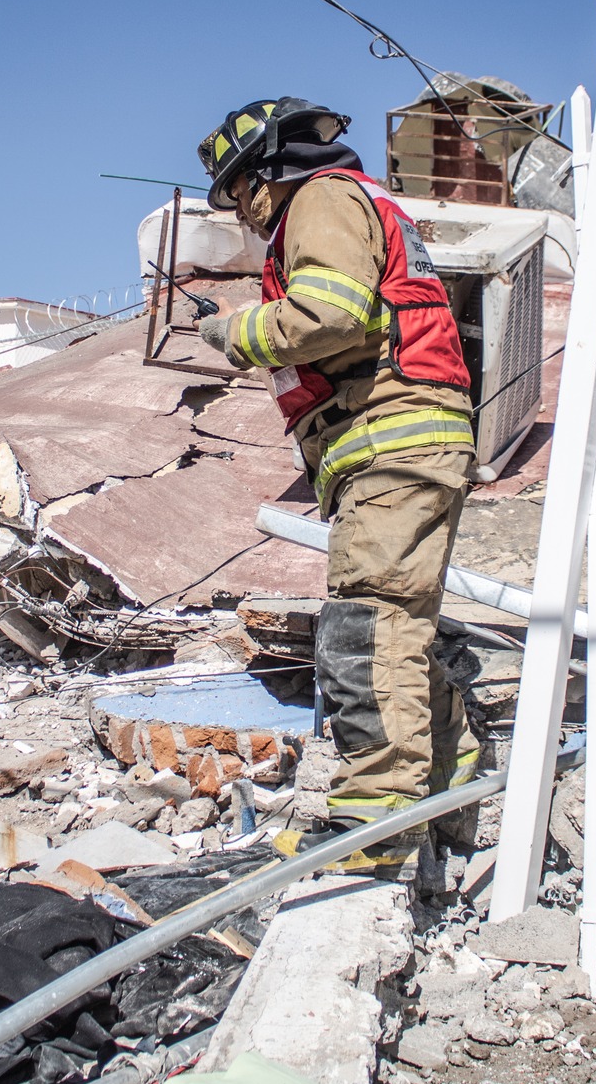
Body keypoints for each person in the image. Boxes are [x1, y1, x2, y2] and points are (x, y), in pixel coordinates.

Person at [192, 97, 481, 881]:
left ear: (271, 166)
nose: (248, 211)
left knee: (364, 627)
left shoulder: (319, 200)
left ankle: (374, 824)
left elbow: (333, 314)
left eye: (244, 187)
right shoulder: (359, 203)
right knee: (399, 628)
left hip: (393, 439)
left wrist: (233, 333)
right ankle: (453, 791)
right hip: (406, 441)